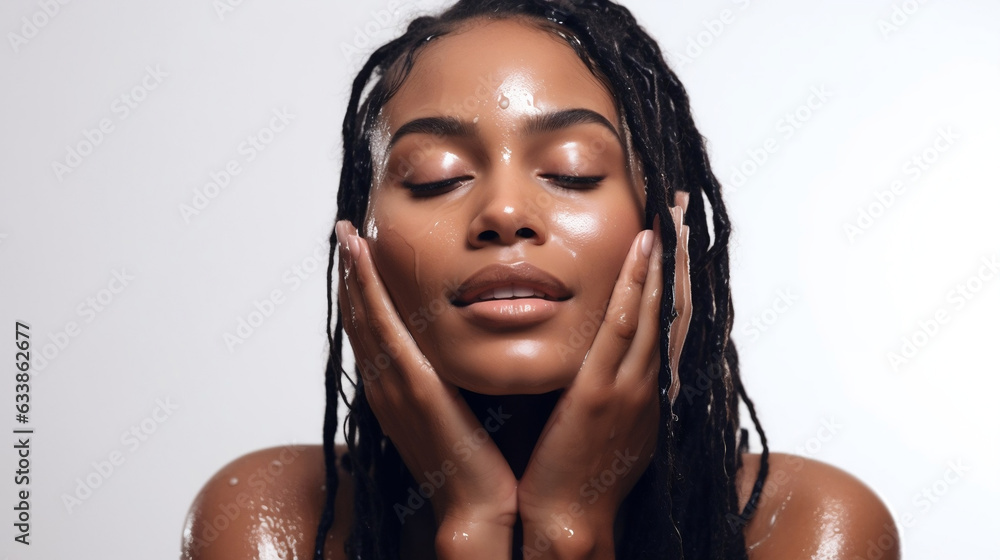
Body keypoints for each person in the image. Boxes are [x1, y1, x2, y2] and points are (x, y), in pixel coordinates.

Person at [182, 1, 899, 558]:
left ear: (671, 232)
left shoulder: (805, 531)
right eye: (436, 177)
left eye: (573, 170)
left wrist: (570, 528)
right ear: (355, 244)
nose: (502, 212)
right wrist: (470, 527)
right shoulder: (269, 525)